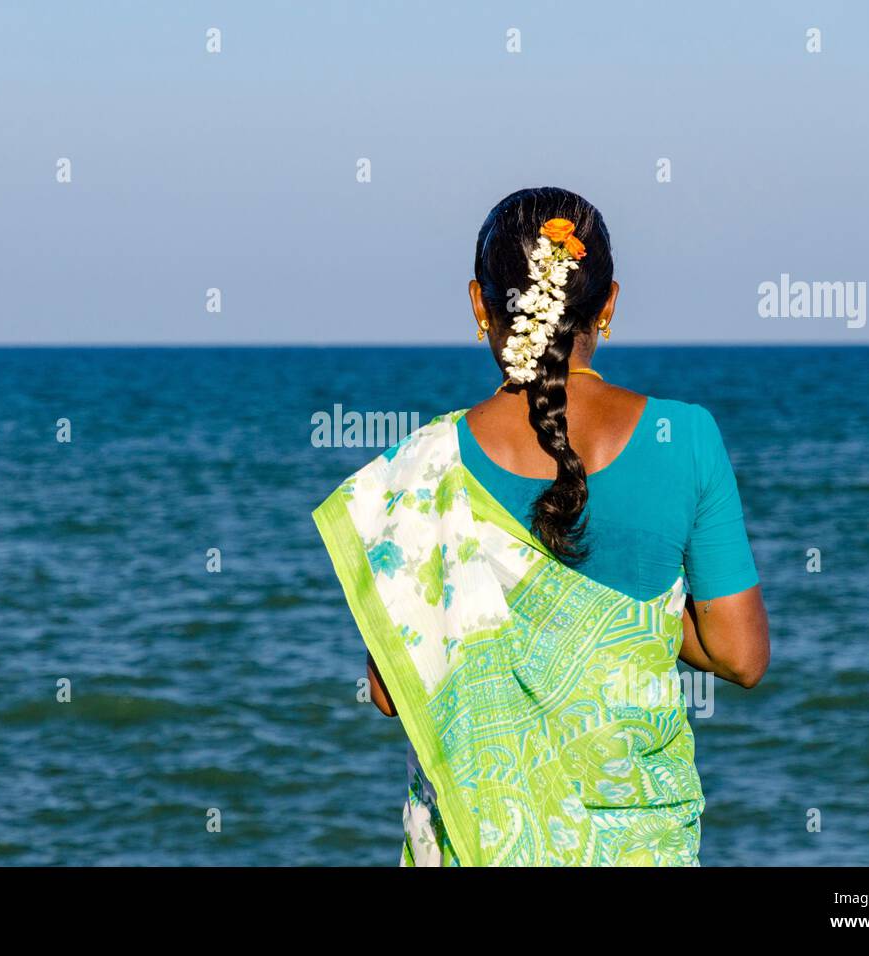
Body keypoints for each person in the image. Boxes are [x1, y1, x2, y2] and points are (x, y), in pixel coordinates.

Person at [312, 186, 769, 866]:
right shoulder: (688, 438)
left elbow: (389, 691)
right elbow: (740, 656)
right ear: (608, 304)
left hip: (481, 844)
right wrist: (638, 613)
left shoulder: (424, 468)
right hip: (640, 841)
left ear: (480, 305)